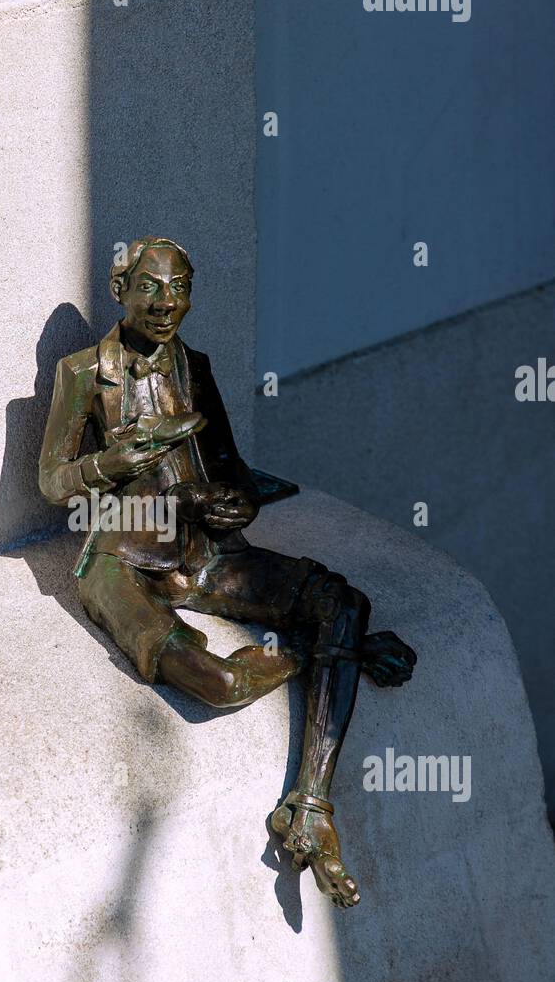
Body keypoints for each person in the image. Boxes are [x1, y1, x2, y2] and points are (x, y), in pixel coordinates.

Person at [39, 237, 416, 908]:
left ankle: (309, 807)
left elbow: (230, 467)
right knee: (217, 684)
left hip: (205, 550)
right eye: (150, 287)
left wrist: (236, 499)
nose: (167, 303)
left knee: (343, 604)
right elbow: (52, 482)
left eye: (180, 287)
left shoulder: (195, 366)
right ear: (120, 290)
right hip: (123, 559)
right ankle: (333, 654)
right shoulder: (82, 373)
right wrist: (112, 464)